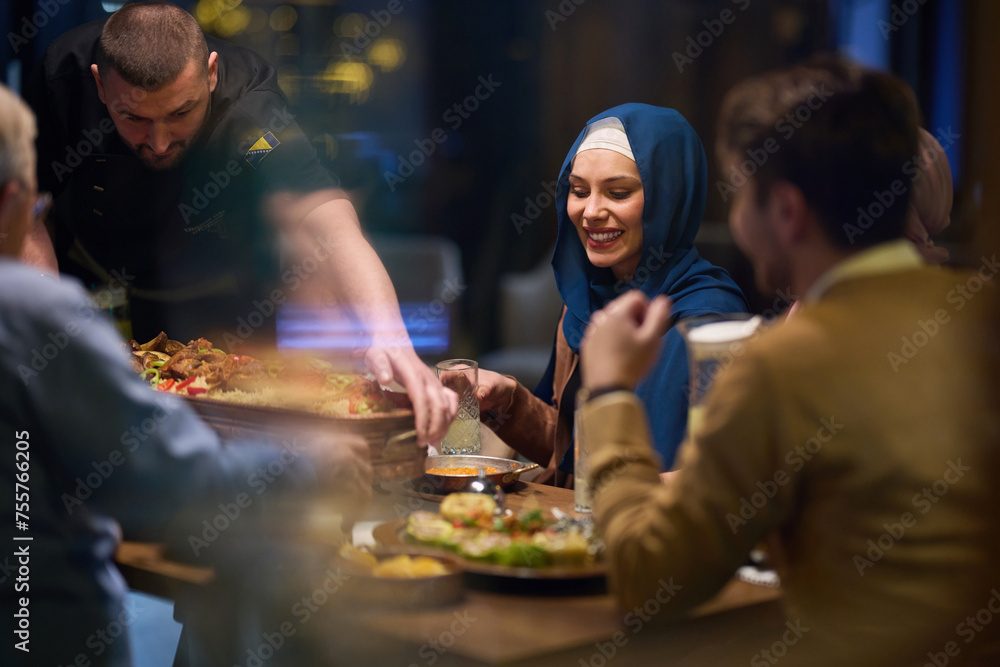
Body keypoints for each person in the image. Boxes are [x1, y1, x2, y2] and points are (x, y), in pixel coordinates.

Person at [576, 58, 1000, 665]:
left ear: (787, 211)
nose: (737, 219)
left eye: (741, 194)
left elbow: (653, 579)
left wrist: (611, 389)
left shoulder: (781, 364)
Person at [0, 83, 372, 666]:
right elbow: (167, 481)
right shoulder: (28, 311)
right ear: (12, 199)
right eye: (38, 212)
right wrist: (308, 459)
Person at [21, 1, 455, 444]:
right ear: (99, 84)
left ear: (211, 74)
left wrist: (390, 336)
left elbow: (321, 215)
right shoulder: (61, 78)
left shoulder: (251, 107)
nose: (159, 141)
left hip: (218, 295)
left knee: (234, 445)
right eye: (133, 118)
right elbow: (27, 211)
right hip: (94, 285)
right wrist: (44, 327)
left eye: (180, 113)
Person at [477, 104, 747, 483]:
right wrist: (509, 401)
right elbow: (575, 456)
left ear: (669, 200)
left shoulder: (712, 320)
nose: (590, 212)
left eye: (618, 193)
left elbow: (720, 484)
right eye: (578, 191)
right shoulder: (585, 303)